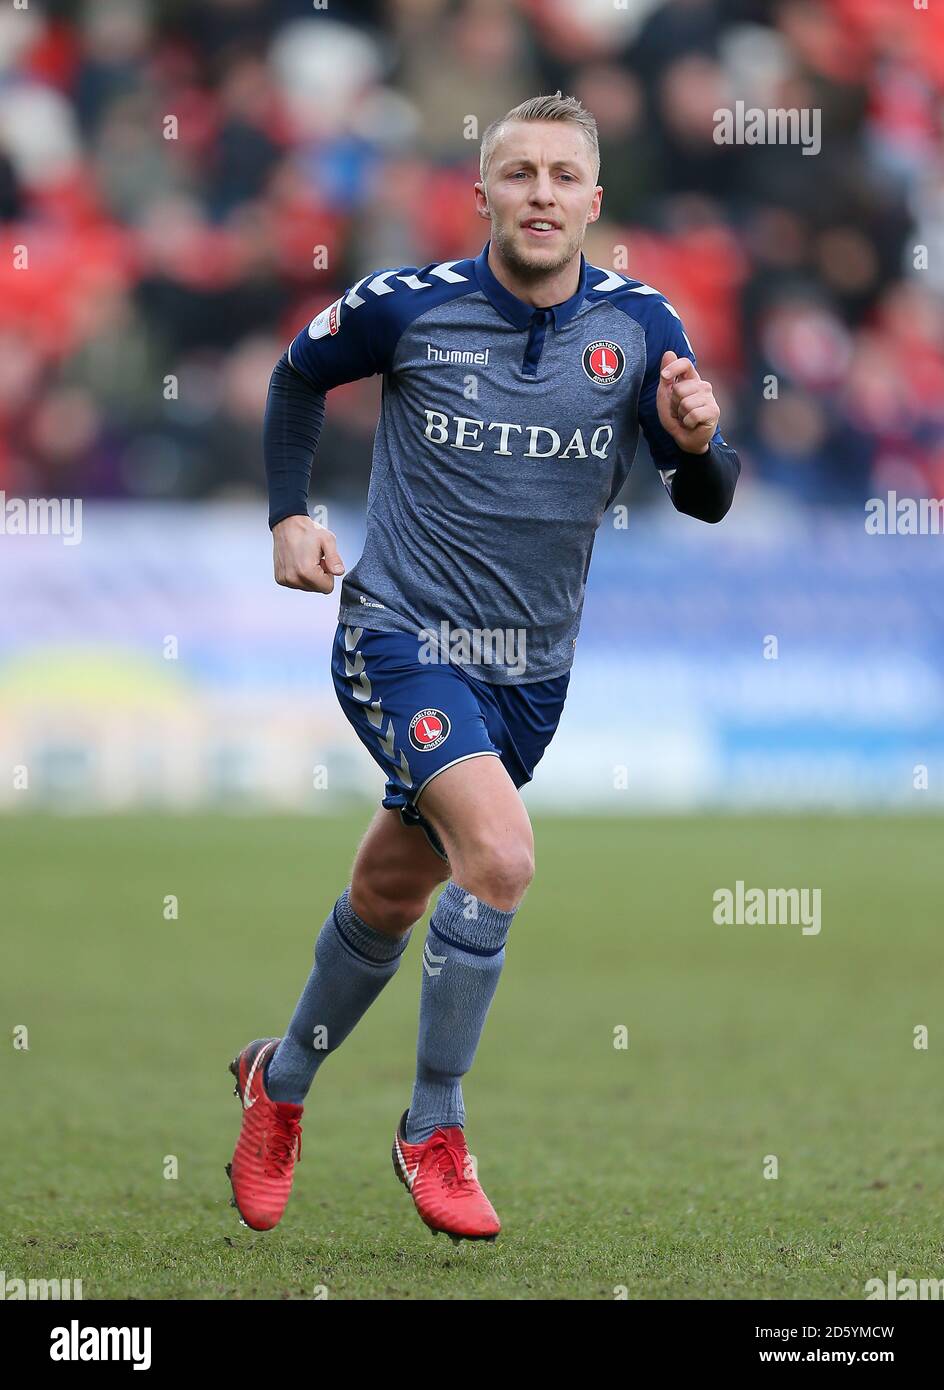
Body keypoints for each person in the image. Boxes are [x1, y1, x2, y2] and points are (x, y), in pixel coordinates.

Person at [226, 92, 740, 1242]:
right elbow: (295, 379)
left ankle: (281, 1083)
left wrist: (702, 446)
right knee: (497, 859)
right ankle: (433, 1127)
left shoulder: (644, 329)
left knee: (389, 893)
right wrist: (285, 515)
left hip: (529, 674)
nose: (541, 194)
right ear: (483, 194)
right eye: (519, 174)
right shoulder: (409, 306)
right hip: (399, 636)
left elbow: (701, 497)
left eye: (563, 176)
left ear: (594, 202)